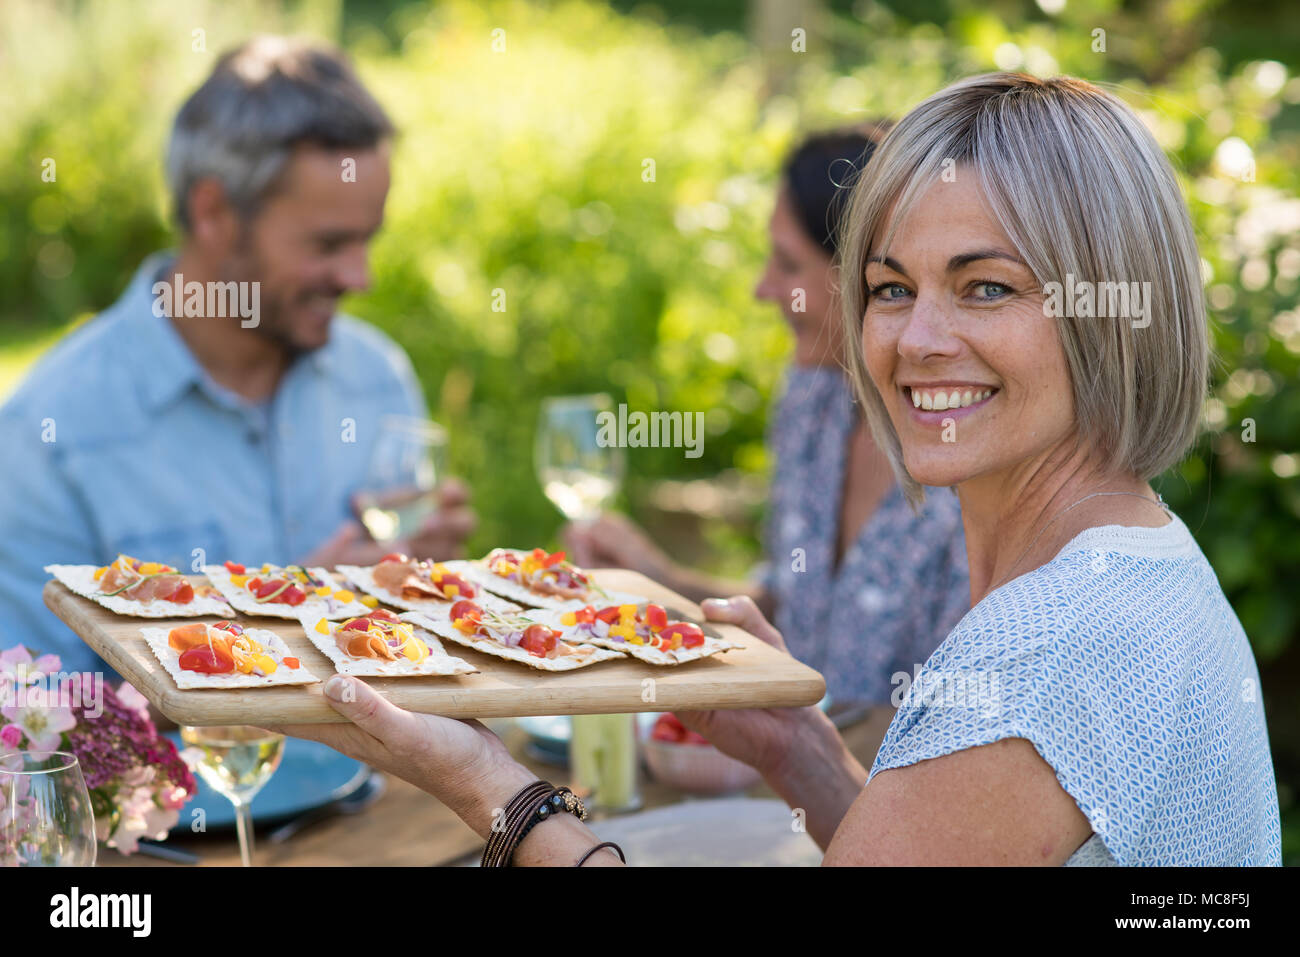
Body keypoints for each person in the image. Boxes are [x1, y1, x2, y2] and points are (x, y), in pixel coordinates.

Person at [279, 71, 1281, 865]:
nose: (917, 339)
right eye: (889, 288)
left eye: (985, 287)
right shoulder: (1122, 568)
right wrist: (799, 752)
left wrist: (492, 792)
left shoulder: (1049, 646)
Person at [0, 37, 474, 674]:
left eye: (367, 241)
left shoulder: (377, 379)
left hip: (381, 778)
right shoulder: (47, 433)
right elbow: (40, 713)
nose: (358, 276)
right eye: (329, 243)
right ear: (214, 212)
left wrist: (425, 591)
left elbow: (416, 648)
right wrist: (303, 613)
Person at [564, 128, 970, 724]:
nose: (762, 289)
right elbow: (792, 607)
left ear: (871, 276)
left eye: (788, 263)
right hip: (789, 774)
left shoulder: (968, 443)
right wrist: (658, 580)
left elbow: (965, 713)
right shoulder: (814, 400)